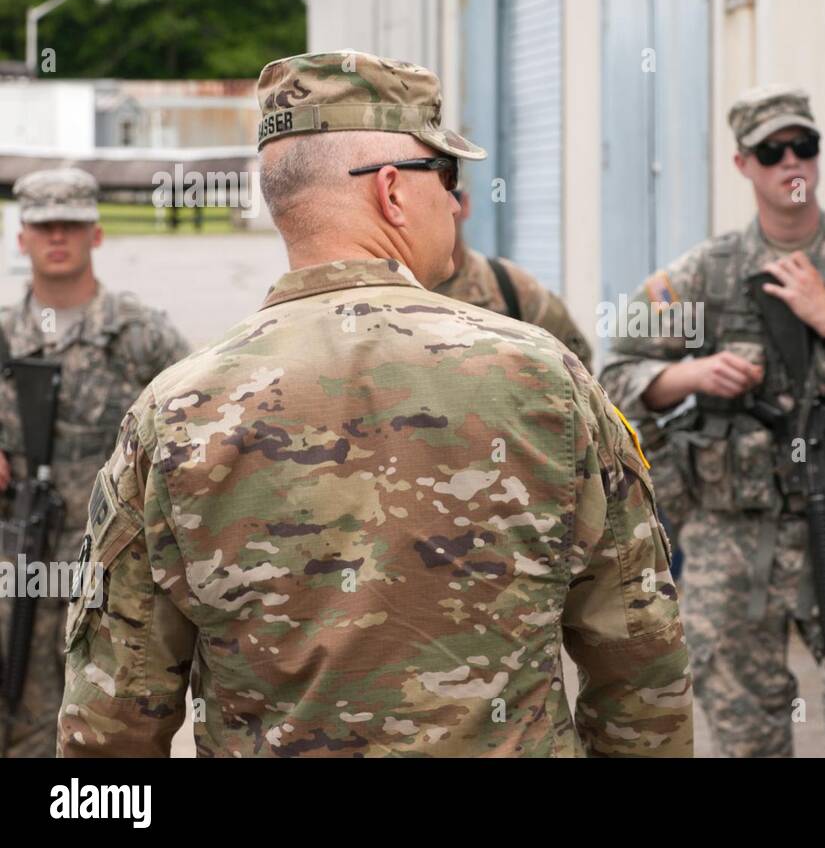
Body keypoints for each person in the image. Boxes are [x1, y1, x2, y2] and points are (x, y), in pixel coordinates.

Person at [58, 50, 692, 758]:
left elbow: (109, 728)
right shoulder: (545, 378)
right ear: (392, 191)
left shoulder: (174, 413)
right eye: (446, 176)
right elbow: (640, 665)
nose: (455, 201)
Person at [602, 84, 825, 757]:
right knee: (744, 733)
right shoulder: (705, 274)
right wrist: (688, 376)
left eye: (803, 147)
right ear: (743, 165)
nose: (791, 162)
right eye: (771, 150)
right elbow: (614, 377)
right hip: (733, 536)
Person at [0, 167, 188, 757]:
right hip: (18, 575)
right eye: (44, 226)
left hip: (115, 574)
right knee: (21, 723)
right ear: (21, 238)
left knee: (112, 732)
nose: (59, 237)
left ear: (96, 236)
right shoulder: (3, 337)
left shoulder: (140, 335)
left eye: (72, 226)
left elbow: (197, 427)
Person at [437, 189, 592, 369]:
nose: (449, 208)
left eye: (449, 193)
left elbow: (580, 377)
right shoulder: (397, 295)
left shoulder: (512, 288)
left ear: (464, 204)